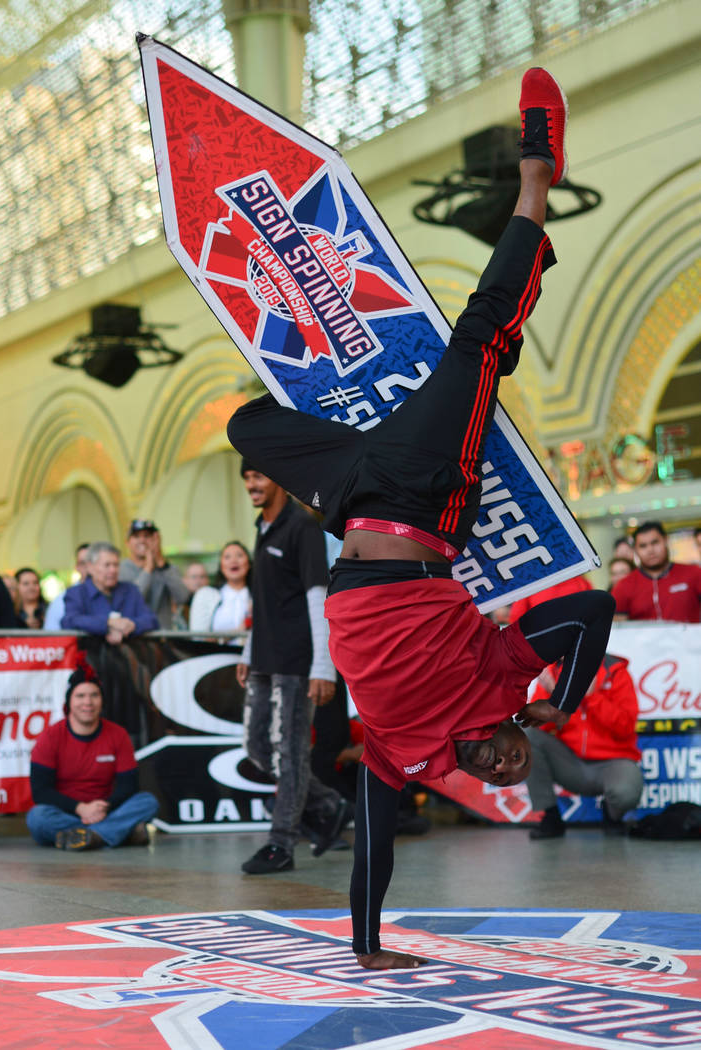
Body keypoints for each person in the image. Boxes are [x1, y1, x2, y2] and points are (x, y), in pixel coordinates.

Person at [228, 69, 615, 967]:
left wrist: (367, 947)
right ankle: (536, 178)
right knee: (482, 339)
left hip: (349, 498)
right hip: (424, 497)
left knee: (247, 427)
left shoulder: (401, 756)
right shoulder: (505, 676)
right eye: (519, 762)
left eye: (505, 779)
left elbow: (374, 841)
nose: (509, 770)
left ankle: (362, 399)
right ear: (519, 738)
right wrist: (559, 703)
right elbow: (590, 611)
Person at [236, 464, 351, 874]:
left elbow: (318, 598)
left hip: (297, 663)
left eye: (259, 476)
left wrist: (323, 666)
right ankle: (329, 804)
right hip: (264, 659)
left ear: (278, 480)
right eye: (247, 478)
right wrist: (248, 651)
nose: (251, 484)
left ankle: (281, 843)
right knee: (257, 748)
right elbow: (265, 601)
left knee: (290, 753)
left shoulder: (302, 527)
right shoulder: (262, 527)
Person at [26, 663, 158, 849]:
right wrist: (80, 808)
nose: (88, 702)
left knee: (147, 802)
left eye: (94, 695)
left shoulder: (118, 735)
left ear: (102, 700)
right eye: (80, 696)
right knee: (37, 818)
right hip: (67, 812)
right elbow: (41, 792)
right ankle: (117, 834)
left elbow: (129, 785)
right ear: (69, 701)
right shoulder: (50, 737)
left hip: (107, 810)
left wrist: (104, 807)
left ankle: (89, 836)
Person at [525, 653, 643, 839]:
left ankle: (612, 816)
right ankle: (550, 817)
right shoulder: (553, 671)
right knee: (528, 737)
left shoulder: (616, 672)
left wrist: (593, 697)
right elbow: (538, 727)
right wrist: (554, 697)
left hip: (613, 763)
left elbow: (625, 728)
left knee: (626, 792)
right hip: (569, 762)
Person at [61, 541, 158, 641]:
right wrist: (108, 623)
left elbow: (151, 620)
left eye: (116, 565)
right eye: (107, 565)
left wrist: (131, 625)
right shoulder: (76, 593)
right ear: (90, 567)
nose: (113, 570)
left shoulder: (131, 590)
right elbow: (70, 620)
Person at [612, 520, 701, 622]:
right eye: (643, 546)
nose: (650, 550)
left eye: (655, 543)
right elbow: (618, 627)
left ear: (666, 541)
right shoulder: (623, 586)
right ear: (635, 549)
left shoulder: (694, 573)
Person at [120, 519, 190, 629]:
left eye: (147, 536)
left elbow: (183, 597)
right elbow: (133, 601)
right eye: (136, 536)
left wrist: (161, 562)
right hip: (134, 634)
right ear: (127, 542)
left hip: (163, 635)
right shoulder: (120, 569)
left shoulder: (168, 568)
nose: (142, 540)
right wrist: (148, 568)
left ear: (156, 540)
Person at [188, 541, 252, 632]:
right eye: (227, 557)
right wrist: (239, 630)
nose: (233, 561)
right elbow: (199, 636)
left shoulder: (260, 596)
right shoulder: (206, 595)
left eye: (239, 555)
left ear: (248, 563)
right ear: (221, 566)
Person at [43, 543, 90, 631]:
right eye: (83, 563)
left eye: (93, 562)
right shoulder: (60, 601)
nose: (89, 568)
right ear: (76, 567)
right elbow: (51, 634)